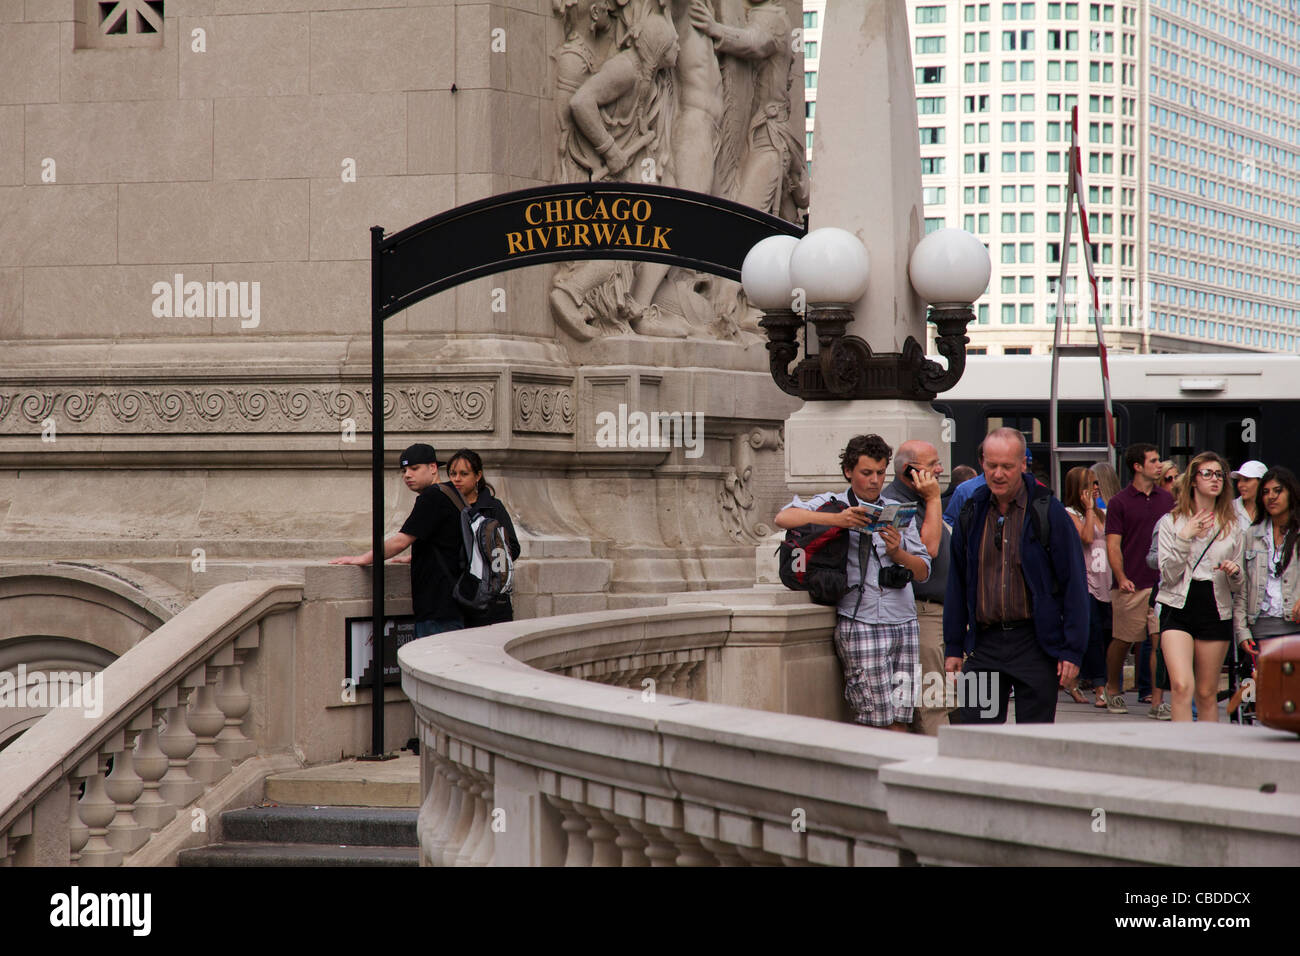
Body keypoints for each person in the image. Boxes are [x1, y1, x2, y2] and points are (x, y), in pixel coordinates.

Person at [776, 434, 931, 732]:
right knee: (876, 721)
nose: (874, 481)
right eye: (866, 473)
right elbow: (783, 518)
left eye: (880, 472)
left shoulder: (899, 509)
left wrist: (898, 552)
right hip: (861, 622)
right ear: (849, 471)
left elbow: (924, 571)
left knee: (902, 719)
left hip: (905, 621)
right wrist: (838, 521)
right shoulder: (833, 503)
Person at [944, 427, 1088, 724]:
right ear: (982, 462)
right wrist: (954, 645)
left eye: (1007, 466)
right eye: (991, 465)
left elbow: (1074, 583)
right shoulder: (971, 512)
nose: (998, 474)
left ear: (1023, 464)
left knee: (1033, 744)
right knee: (975, 738)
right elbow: (957, 583)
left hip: (1035, 644)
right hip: (984, 645)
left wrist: (1072, 650)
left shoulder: (1049, 512)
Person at [330, 444, 466, 638]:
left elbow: (400, 542)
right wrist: (417, 556)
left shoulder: (431, 497)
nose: (407, 475)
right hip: (454, 602)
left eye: (414, 468)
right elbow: (448, 542)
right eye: (404, 471)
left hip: (438, 608)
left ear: (433, 468)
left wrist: (363, 558)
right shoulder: (452, 493)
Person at [1155, 451, 1245, 722]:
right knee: (1182, 685)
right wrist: (1185, 537)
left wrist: (1234, 571)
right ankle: (1181, 754)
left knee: (1206, 693)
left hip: (1215, 607)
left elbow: (1239, 584)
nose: (1215, 479)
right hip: (1178, 604)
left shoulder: (1231, 525)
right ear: (1193, 480)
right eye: (1207, 474)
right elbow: (1167, 575)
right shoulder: (1172, 522)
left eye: (1219, 474)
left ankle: (1209, 756)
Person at [882, 440, 950, 734]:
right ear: (909, 471)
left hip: (945, 612)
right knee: (931, 699)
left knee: (953, 697)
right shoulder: (897, 503)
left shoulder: (921, 497)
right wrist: (934, 499)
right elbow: (927, 549)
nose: (940, 469)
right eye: (933, 464)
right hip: (923, 611)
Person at [1103, 443, 1174, 717]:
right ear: (1137, 466)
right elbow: (1113, 545)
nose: (1159, 465)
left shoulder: (1167, 500)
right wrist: (1120, 577)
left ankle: (1157, 702)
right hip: (1130, 583)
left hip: (1161, 585)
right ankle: (1112, 688)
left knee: (1158, 643)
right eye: (1154, 461)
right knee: (1122, 641)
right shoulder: (1119, 502)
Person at [445, 448, 522, 627]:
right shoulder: (447, 506)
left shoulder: (493, 507)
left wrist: (483, 559)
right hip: (459, 597)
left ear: (478, 475)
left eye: (464, 474)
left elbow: (513, 549)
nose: (457, 479)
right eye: (452, 474)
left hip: (491, 600)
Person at [1062, 466, 1111, 707]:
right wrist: (1089, 509)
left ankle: (1073, 679)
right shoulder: (1068, 514)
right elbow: (1087, 538)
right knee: (1092, 636)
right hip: (1085, 582)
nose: (1095, 488)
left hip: (1105, 580)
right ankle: (1101, 687)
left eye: (1096, 484)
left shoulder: (1103, 513)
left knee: (1106, 633)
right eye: (1090, 484)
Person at [1237, 466, 1300, 650]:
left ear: (1291, 493)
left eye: (1278, 490)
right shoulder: (1251, 534)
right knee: (1264, 680)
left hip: (1295, 626)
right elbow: (1243, 587)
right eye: (1265, 492)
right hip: (1260, 628)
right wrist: (1241, 630)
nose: (1271, 496)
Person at [943, 444, 1031, 528]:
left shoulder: (1027, 489)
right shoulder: (965, 490)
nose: (998, 473)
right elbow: (949, 521)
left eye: (1005, 464)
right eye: (992, 463)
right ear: (981, 462)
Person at [1230, 460, 1267, 528]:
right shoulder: (1229, 508)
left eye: (1246, 479)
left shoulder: (1271, 509)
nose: (1240, 485)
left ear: (1261, 482)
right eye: (1239, 480)